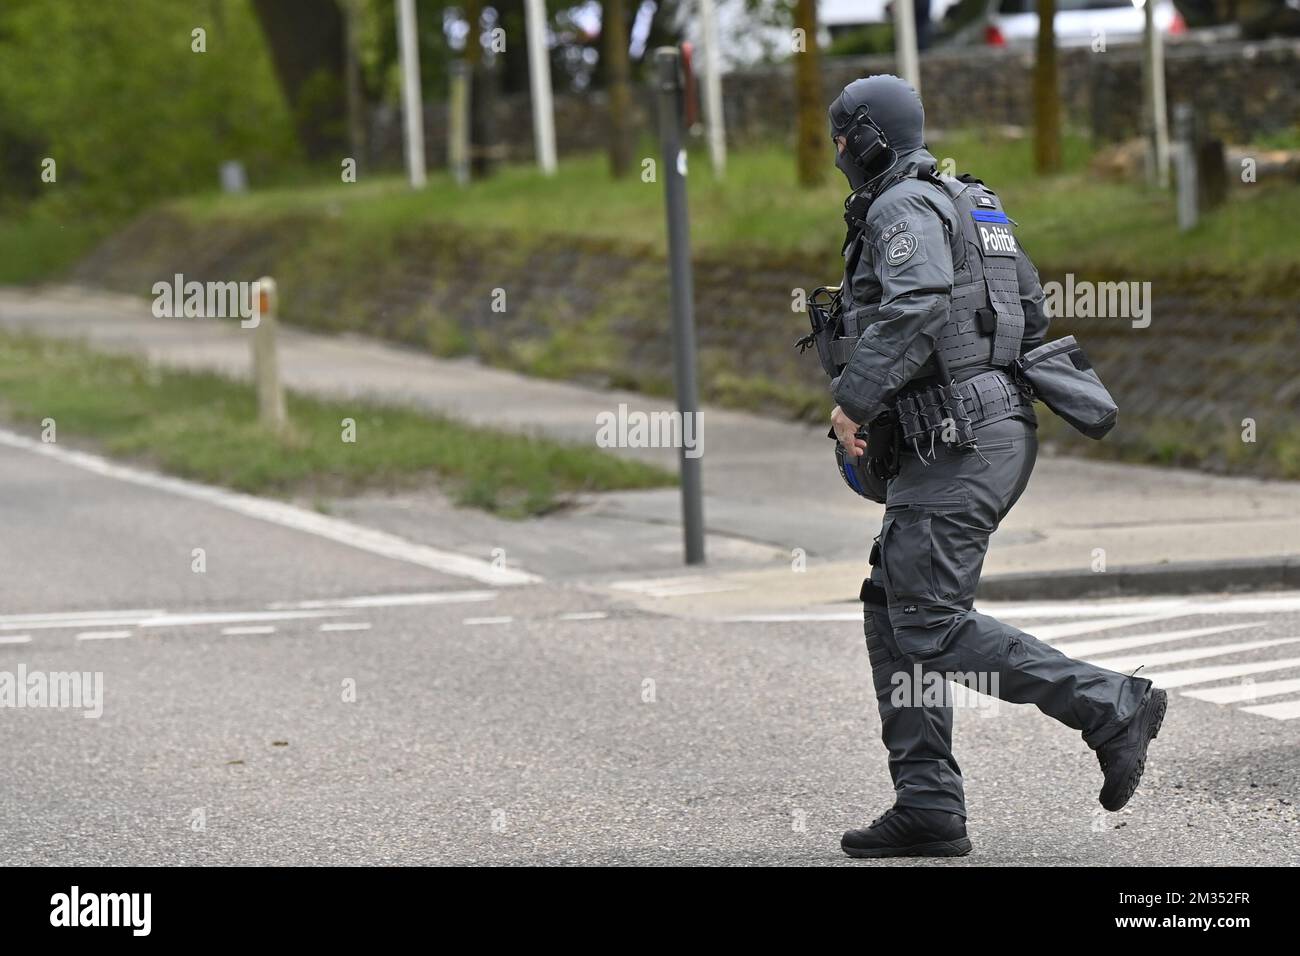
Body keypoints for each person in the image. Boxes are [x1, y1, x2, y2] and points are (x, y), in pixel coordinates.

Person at [820, 75, 1168, 859]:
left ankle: (1110, 706)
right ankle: (929, 806)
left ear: (867, 138)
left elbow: (916, 304)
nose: (837, 150)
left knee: (929, 622)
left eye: (842, 136)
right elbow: (1028, 313)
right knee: (892, 608)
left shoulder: (901, 205)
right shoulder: (973, 201)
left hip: (961, 437)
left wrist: (854, 399)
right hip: (984, 427)